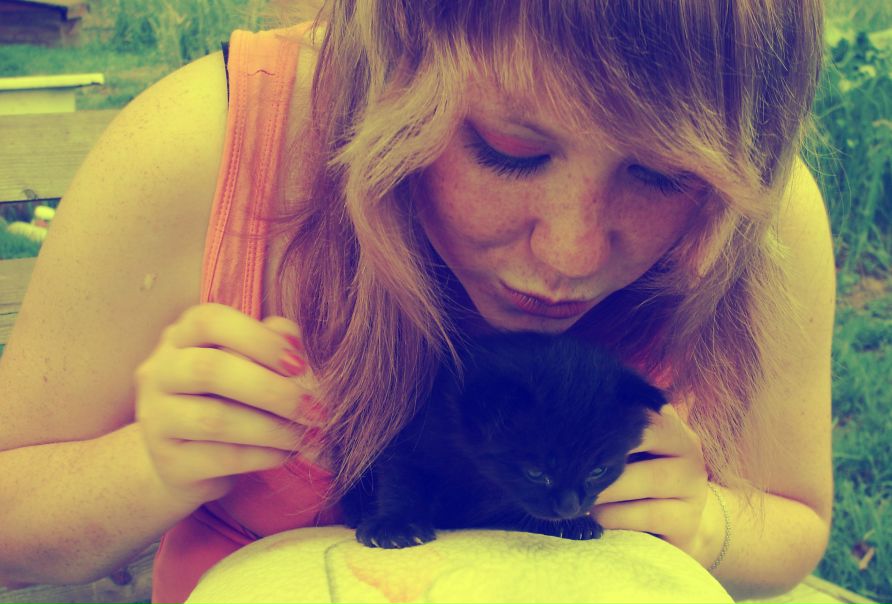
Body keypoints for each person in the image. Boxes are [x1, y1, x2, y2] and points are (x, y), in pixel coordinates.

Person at [0, 1, 834, 602]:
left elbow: (793, 520)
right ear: (399, 64)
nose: (569, 254)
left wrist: (709, 524)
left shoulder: (754, 209)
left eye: (661, 176)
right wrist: (152, 463)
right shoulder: (205, 148)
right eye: (508, 148)